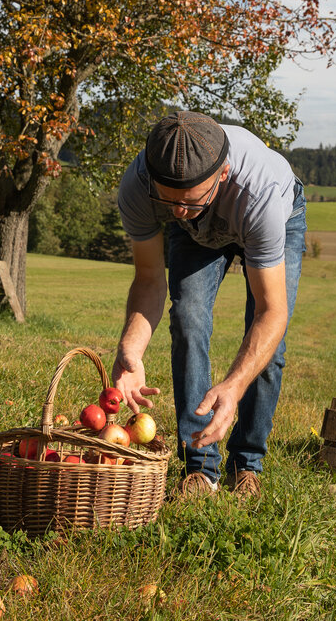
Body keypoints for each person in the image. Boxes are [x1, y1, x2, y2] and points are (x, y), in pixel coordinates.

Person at [111, 111, 306, 499]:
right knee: (187, 318)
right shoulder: (139, 187)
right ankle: (201, 469)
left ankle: (246, 464)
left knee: (269, 350)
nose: (178, 212)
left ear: (223, 173)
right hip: (199, 234)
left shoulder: (259, 194)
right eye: (169, 201)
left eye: (189, 200)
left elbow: (271, 312)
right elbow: (149, 279)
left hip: (272, 217)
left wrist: (233, 386)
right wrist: (131, 348)